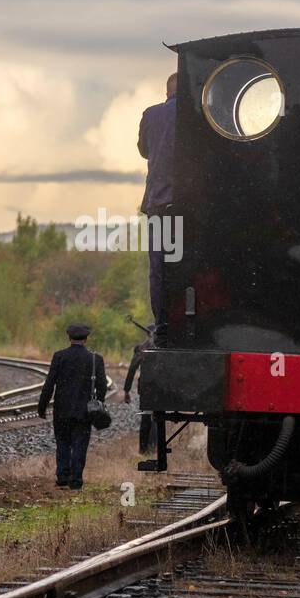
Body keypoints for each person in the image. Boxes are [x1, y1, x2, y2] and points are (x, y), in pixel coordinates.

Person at [37, 323, 107, 490]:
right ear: (86, 339)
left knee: (62, 442)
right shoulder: (95, 359)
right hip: (84, 411)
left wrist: (42, 406)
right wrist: (99, 403)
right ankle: (75, 480)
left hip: (61, 409)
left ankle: (62, 476)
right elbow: (102, 385)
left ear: (69, 338)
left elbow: (49, 384)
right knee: (80, 444)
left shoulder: (59, 356)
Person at [137, 72, 177, 331]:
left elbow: (143, 150)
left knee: (159, 267)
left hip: (159, 203)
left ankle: (162, 322)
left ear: (167, 93)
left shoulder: (151, 115)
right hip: (192, 204)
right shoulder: (200, 113)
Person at [122, 334, 157, 455]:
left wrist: (127, 390)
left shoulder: (142, 348)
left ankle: (143, 449)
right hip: (161, 387)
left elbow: (132, 369)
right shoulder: (163, 346)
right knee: (157, 417)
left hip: (146, 388)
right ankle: (153, 447)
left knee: (146, 417)